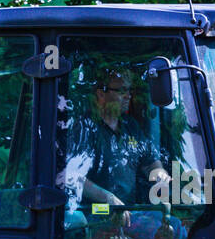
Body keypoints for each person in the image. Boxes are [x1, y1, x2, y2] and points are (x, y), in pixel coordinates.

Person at [70, 67, 169, 206]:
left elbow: (150, 162)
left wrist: (160, 176)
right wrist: (108, 199)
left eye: (129, 90)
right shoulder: (84, 128)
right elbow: (73, 176)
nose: (128, 96)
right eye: (122, 91)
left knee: (172, 223)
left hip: (129, 211)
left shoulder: (131, 126)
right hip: (95, 211)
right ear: (101, 94)